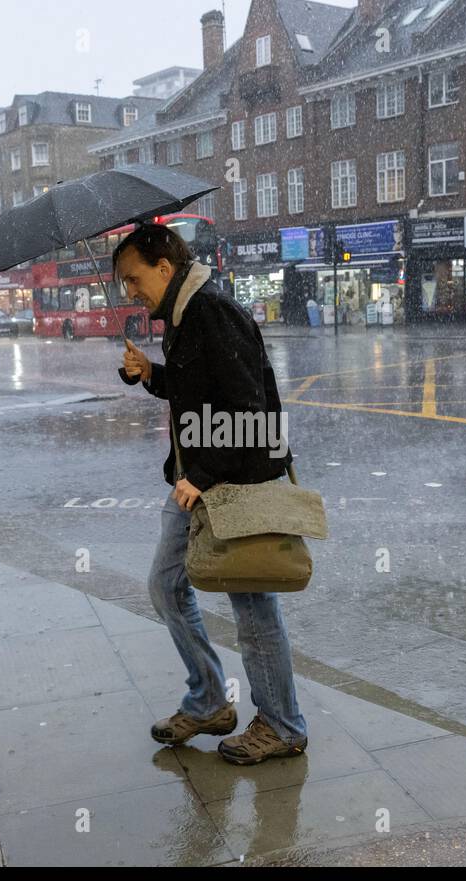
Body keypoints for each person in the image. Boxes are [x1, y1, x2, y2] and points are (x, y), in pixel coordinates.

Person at [115, 224, 308, 766]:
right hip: (195, 482)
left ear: (164, 267)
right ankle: (208, 702)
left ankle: (282, 724)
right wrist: (151, 373)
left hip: (232, 483)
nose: (130, 291)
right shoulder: (182, 316)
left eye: (133, 278)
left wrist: (200, 475)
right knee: (167, 586)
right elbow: (199, 388)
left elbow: (251, 410)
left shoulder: (212, 312)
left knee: (252, 604)